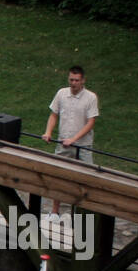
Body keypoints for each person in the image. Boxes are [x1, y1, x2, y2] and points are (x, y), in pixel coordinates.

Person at [42, 65, 99, 212]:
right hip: (63, 143)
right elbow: (54, 114)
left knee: (86, 178)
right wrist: (48, 132)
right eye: (71, 80)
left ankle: (83, 212)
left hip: (83, 145)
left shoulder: (90, 97)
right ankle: (55, 211)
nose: (73, 83)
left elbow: (91, 122)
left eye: (76, 80)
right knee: (57, 176)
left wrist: (74, 139)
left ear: (82, 81)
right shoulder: (62, 93)